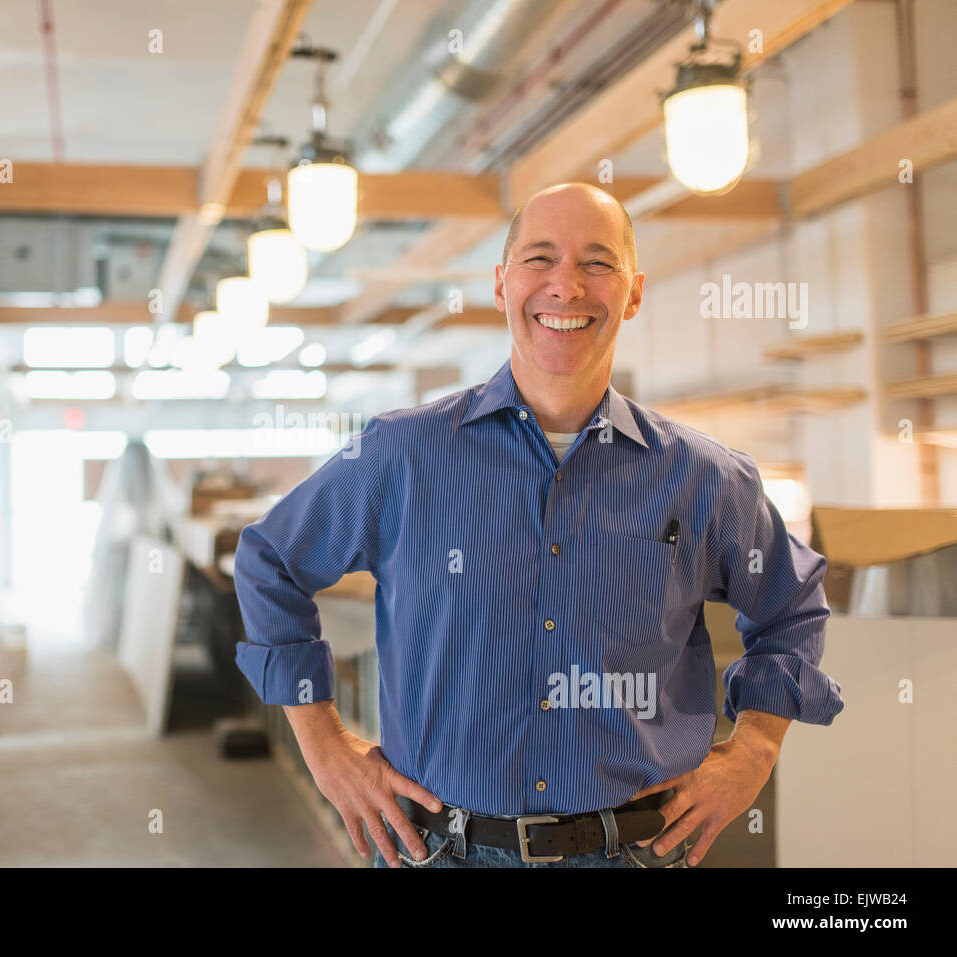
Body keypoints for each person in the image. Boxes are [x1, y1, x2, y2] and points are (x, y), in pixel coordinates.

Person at [232, 183, 844, 868]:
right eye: (540, 258)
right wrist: (323, 744)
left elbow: (791, 610)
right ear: (501, 284)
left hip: (632, 853)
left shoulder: (705, 477)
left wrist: (754, 750)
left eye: (597, 263)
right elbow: (268, 560)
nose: (566, 287)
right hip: (443, 853)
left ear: (633, 292)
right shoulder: (399, 456)